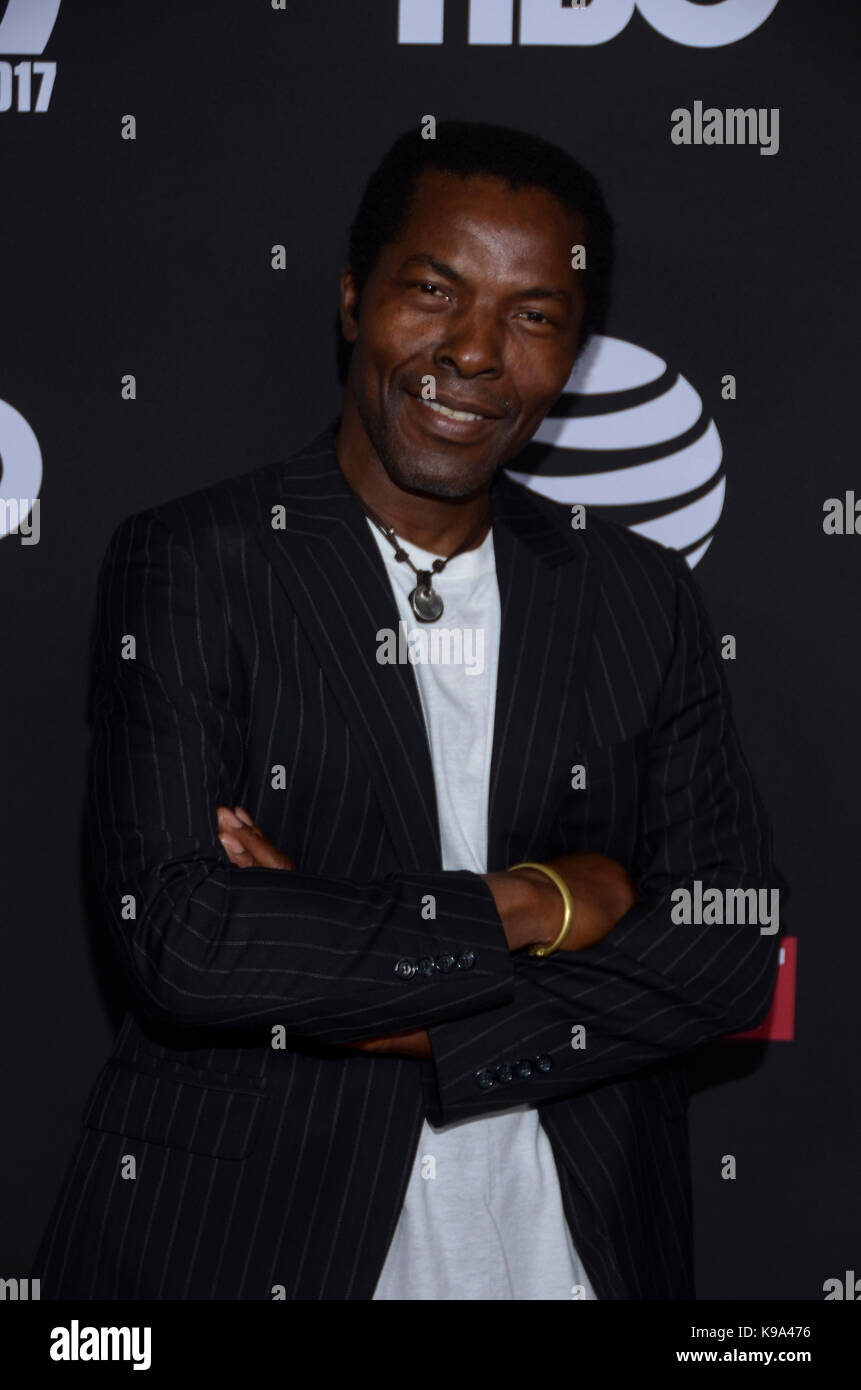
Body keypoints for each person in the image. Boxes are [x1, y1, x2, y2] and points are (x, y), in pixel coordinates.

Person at [32, 121, 785, 1301]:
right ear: (350, 298)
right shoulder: (198, 562)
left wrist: (370, 995)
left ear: (576, 352)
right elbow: (184, 937)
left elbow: (730, 949)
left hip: (574, 1249)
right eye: (435, 291)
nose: (475, 352)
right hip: (254, 1241)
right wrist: (539, 901)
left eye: (535, 315)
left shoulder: (639, 595)